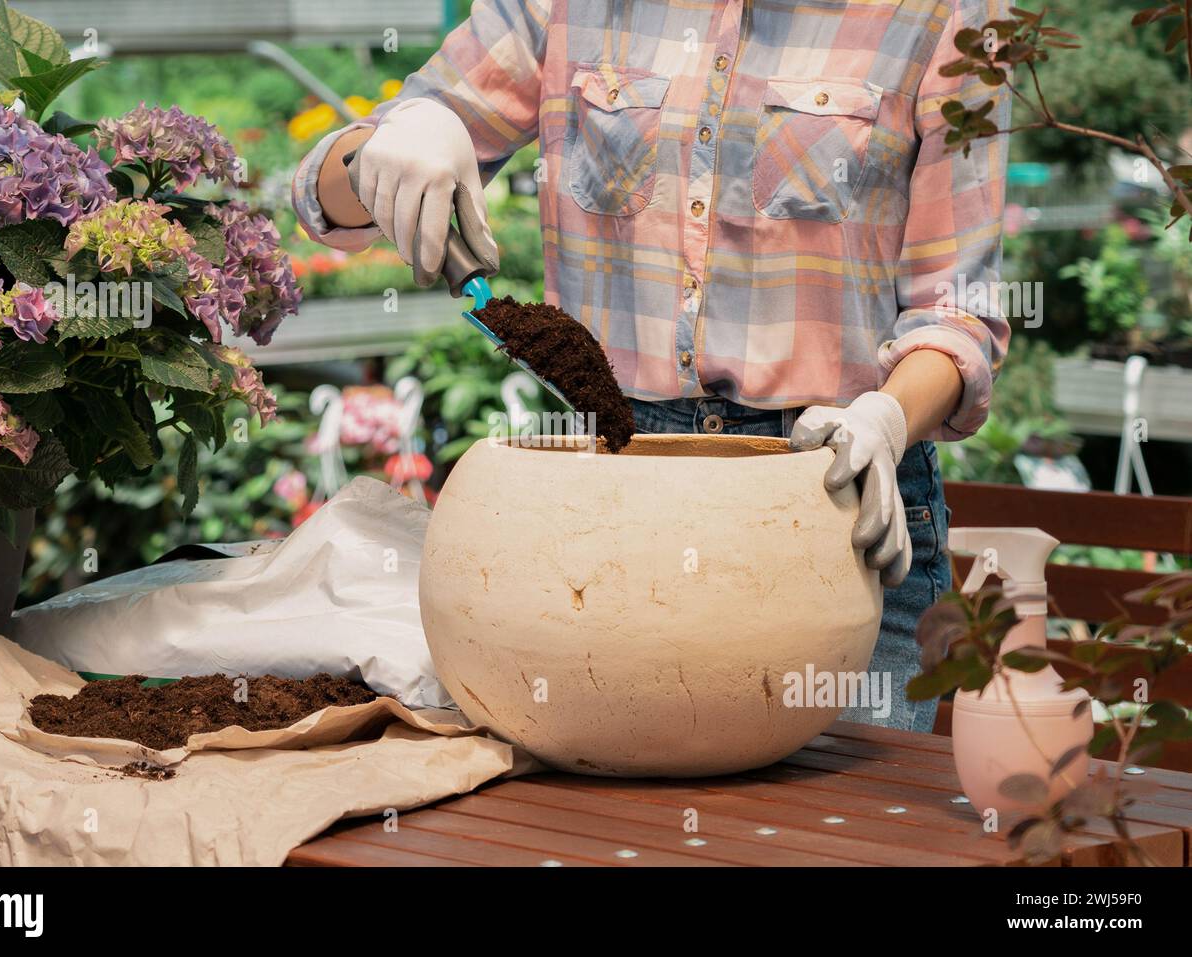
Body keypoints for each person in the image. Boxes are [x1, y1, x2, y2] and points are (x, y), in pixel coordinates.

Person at [292, 0, 1011, 732]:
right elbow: (322, 196)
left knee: (835, 835)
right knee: (606, 833)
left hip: (837, 501)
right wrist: (400, 139)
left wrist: (886, 422)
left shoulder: (952, 15)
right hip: (611, 506)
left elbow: (957, 315)